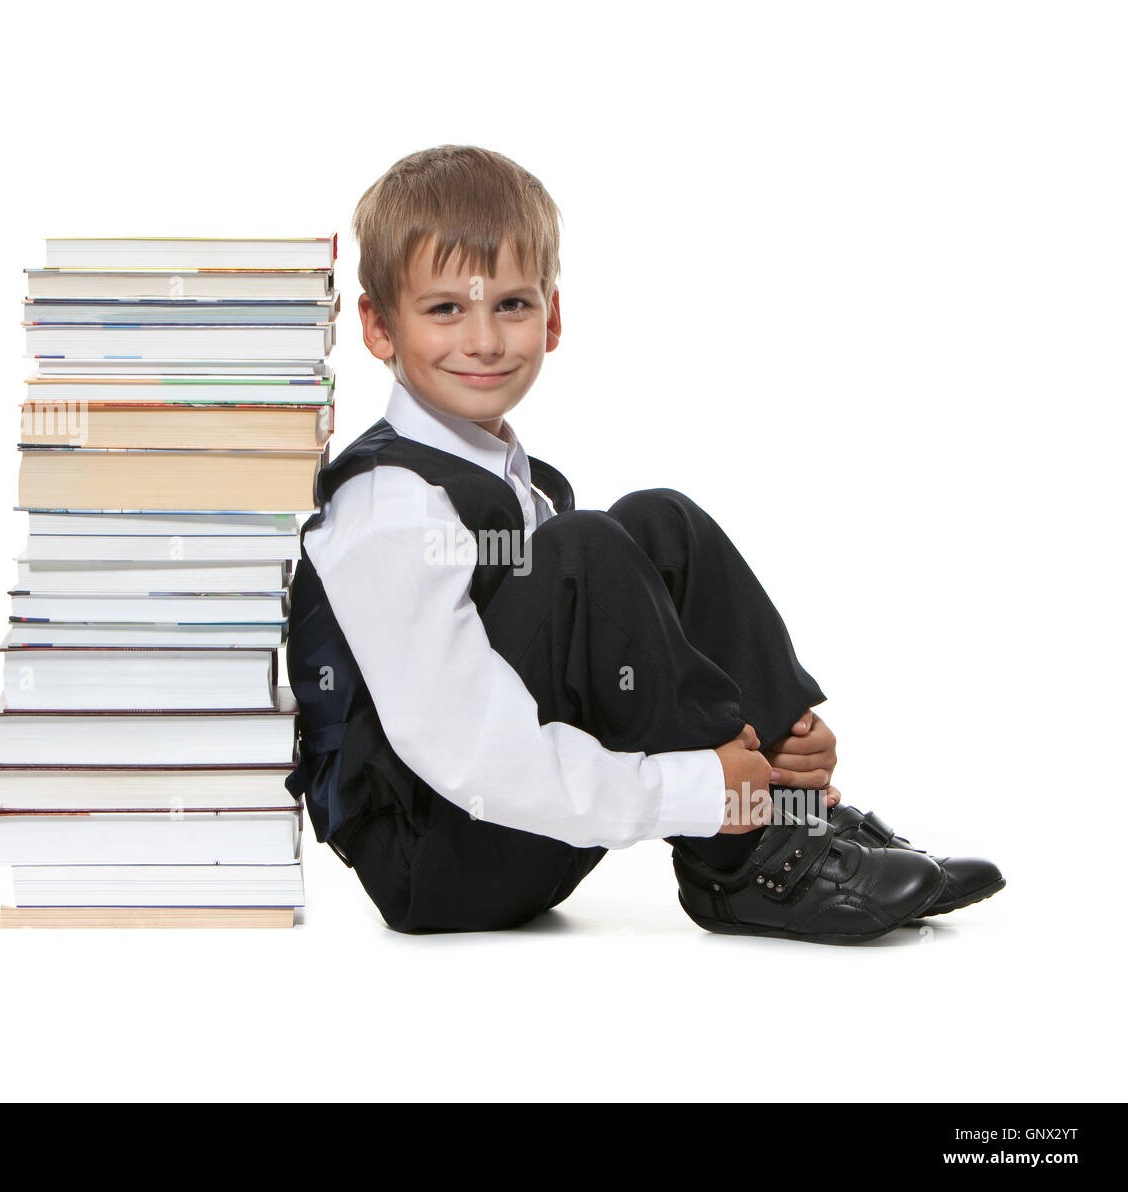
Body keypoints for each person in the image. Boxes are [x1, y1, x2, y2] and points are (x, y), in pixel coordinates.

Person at [284, 144, 1004, 942]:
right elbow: (463, 752)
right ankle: (744, 855)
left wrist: (774, 738)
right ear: (379, 327)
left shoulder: (518, 480)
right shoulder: (389, 504)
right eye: (446, 309)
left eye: (514, 306)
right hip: (437, 856)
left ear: (553, 317)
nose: (484, 339)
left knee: (658, 525)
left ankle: (794, 806)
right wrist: (697, 790)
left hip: (522, 830)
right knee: (587, 550)